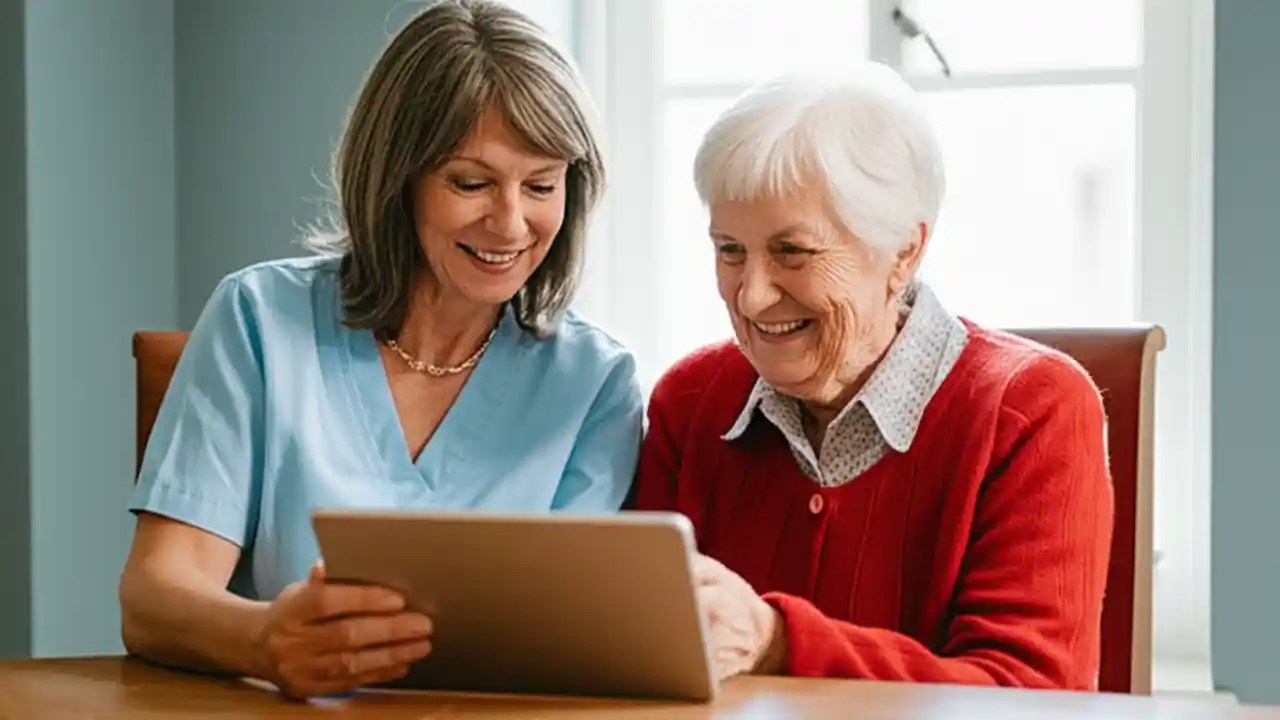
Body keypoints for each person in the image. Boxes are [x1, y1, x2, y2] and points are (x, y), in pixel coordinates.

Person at [118, 0, 641, 700]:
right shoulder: (260, 318)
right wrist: (263, 640)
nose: (512, 223)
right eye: (471, 182)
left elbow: (570, 639)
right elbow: (153, 594)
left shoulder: (596, 382)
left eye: (542, 185)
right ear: (399, 178)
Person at [631, 65, 1114, 690]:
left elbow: (1029, 694)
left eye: (792, 252)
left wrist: (779, 642)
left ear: (904, 252)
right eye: (730, 250)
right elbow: (640, 654)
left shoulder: (1032, 410)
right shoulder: (690, 401)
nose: (751, 296)